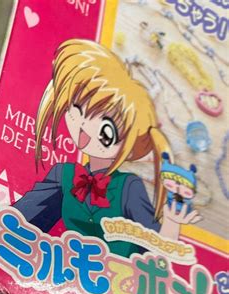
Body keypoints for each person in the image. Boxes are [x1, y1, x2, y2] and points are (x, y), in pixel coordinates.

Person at [14, 39, 201, 258]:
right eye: (78, 108)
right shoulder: (63, 175)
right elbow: (21, 218)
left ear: (130, 147)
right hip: (66, 267)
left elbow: (154, 245)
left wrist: (171, 223)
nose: (84, 126)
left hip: (120, 275)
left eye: (106, 130)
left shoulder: (128, 187)